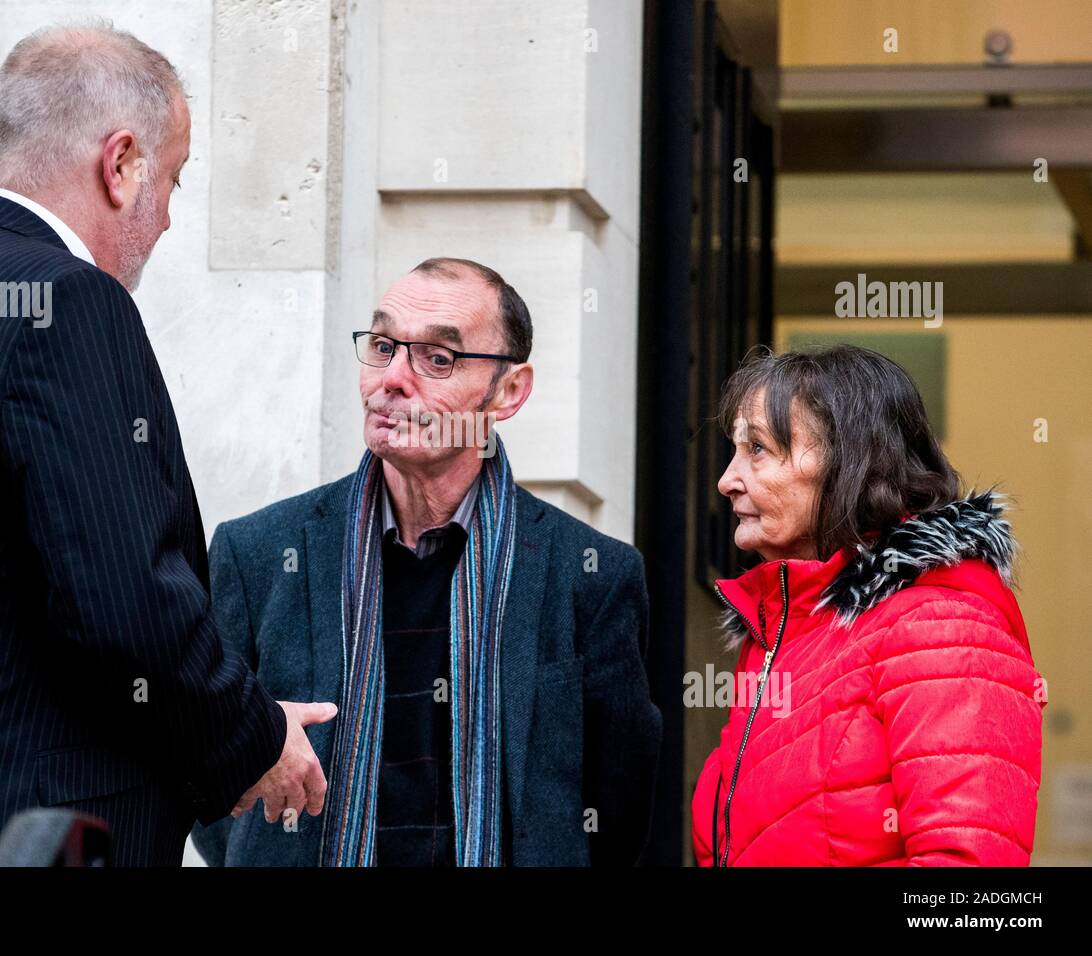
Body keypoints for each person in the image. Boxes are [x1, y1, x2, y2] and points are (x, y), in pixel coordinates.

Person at [0, 23, 333, 866]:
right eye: (173, 182)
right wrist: (257, 736)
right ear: (119, 165)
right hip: (37, 835)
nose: (167, 223)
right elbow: (124, 604)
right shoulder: (69, 302)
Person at [191, 257, 663, 866]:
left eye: (438, 359)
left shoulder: (589, 575)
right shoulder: (258, 554)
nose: (393, 378)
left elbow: (616, 812)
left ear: (509, 391)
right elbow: (211, 782)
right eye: (384, 346)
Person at [692, 345, 1045, 866]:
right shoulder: (785, 633)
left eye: (758, 449)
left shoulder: (943, 626)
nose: (728, 481)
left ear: (847, 458)